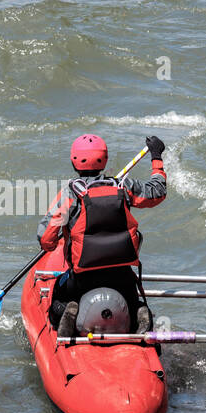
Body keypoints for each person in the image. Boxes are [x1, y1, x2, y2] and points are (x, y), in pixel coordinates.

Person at [36, 134, 167, 338]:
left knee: (56, 299)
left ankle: (68, 312)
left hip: (82, 280)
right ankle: (138, 311)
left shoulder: (70, 194)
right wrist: (156, 156)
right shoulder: (123, 187)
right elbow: (157, 191)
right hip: (123, 277)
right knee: (133, 300)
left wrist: (59, 238)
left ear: (73, 161)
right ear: (104, 160)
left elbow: (45, 240)